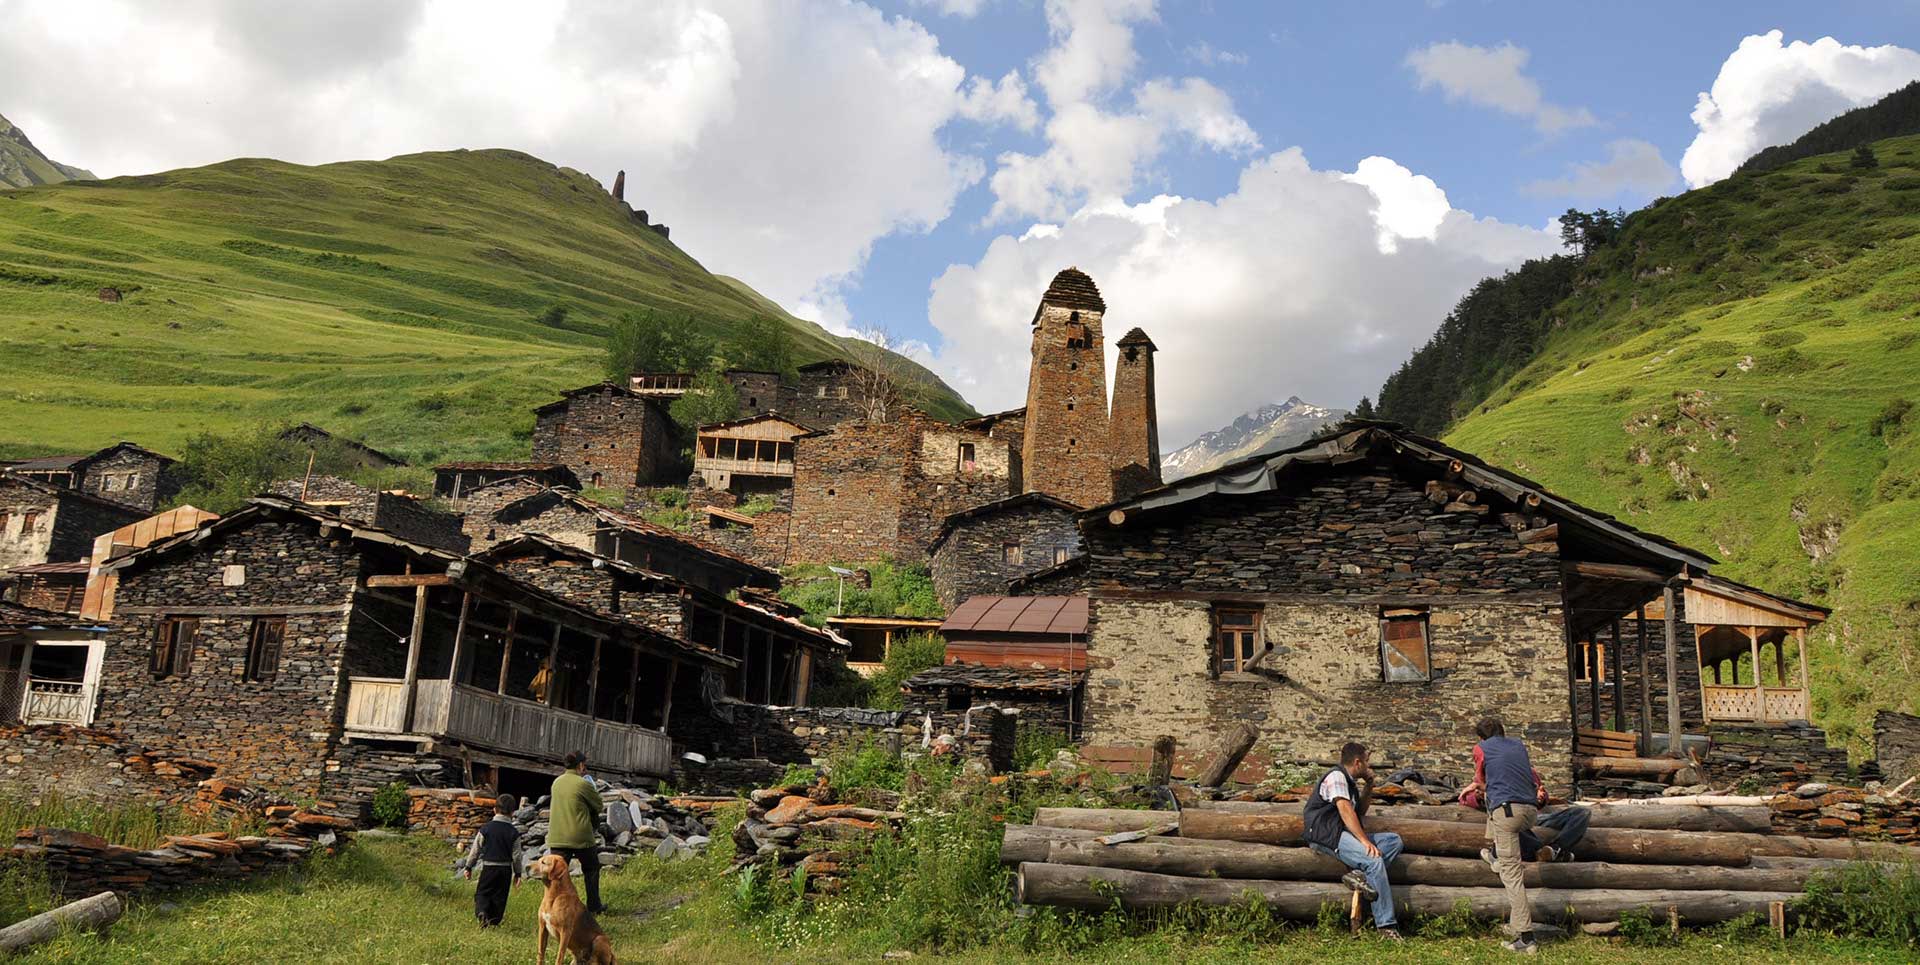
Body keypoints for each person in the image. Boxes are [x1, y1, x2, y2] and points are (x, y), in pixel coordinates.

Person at [1301, 741, 1404, 941]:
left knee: (1394, 841)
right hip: (1326, 834)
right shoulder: (1336, 777)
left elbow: (1359, 812)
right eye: (1367, 761)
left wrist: (1370, 785)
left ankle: (1359, 876)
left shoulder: (1350, 782)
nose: (1369, 765)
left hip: (1341, 833)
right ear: (1358, 762)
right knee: (1374, 861)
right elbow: (1346, 812)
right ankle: (1386, 926)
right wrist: (1365, 841)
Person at [1463, 718, 1541, 955]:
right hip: (1530, 810)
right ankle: (1495, 853)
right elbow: (1509, 780)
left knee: (1512, 876)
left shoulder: (1481, 748)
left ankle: (1526, 938)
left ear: (1481, 737)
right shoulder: (1518, 745)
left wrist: (1472, 788)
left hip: (1507, 812)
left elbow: (1481, 780)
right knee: (1494, 802)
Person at [1460, 764, 1590, 863]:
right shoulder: (1491, 774)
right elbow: (1466, 798)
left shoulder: (1529, 772)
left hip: (1535, 816)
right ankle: (1547, 853)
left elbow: (1541, 794)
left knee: (1582, 813)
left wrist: (1541, 797)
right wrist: (1479, 796)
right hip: (1514, 817)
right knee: (1512, 823)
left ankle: (1555, 848)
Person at [546, 751, 607, 914]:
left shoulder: (556, 783)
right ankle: (594, 906)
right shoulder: (583, 784)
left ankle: (551, 908)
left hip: (557, 836)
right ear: (580, 765)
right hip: (580, 835)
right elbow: (598, 805)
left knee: (555, 875)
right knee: (591, 869)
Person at [459, 793, 522, 927]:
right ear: (512, 813)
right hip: (505, 870)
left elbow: (475, 849)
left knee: (482, 893)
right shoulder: (513, 832)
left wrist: (468, 866)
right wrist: (518, 873)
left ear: (494, 810)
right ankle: (493, 921)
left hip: (488, 868)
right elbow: (517, 856)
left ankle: (482, 912)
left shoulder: (486, 828)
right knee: (500, 897)